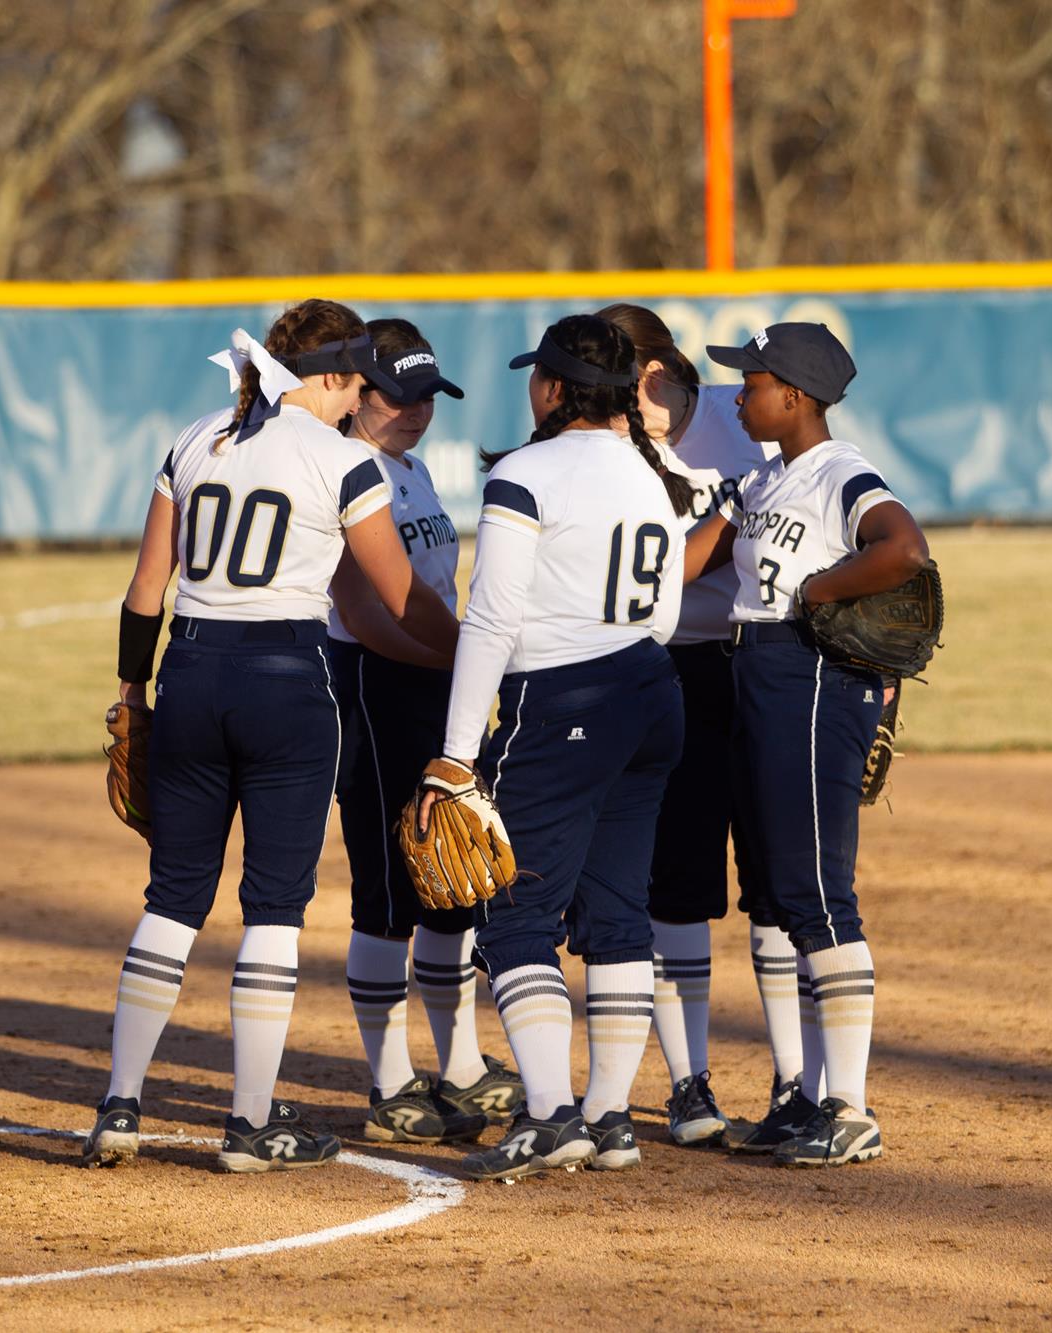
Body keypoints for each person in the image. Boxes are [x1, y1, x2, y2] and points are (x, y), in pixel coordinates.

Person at [82, 299, 460, 1174]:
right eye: (357, 382)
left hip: (189, 675)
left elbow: (145, 591)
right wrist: (477, 654)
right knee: (274, 909)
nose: (359, 398)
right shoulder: (342, 460)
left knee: (172, 898)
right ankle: (251, 1121)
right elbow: (397, 598)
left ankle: (119, 1104)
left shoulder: (196, 438)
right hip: (288, 683)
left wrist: (133, 694)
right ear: (330, 376)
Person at [416, 313, 692, 1182]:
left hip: (564, 698)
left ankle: (548, 1114)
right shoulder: (650, 472)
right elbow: (666, 612)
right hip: (652, 691)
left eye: (539, 374)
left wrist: (456, 754)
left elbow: (492, 615)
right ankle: (609, 1116)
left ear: (558, 387)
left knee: (514, 912)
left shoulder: (527, 472)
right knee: (618, 911)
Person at [682, 321, 930, 1167]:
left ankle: (850, 1107)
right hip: (755, 673)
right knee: (782, 896)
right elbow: (690, 564)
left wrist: (820, 589)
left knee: (819, 892)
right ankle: (810, 1101)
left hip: (811, 677)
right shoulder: (761, 479)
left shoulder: (839, 470)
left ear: (792, 396)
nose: (738, 396)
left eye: (752, 383)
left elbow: (904, 547)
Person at [327, 318, 525, 1143]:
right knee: (386, 889)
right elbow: (366, 613)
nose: (415, 410)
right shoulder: (341, 468)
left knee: (452, 873)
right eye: (398, 395)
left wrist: (463, 670)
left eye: (427, 396)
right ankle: (388, 1082)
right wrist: (470, 658)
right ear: (355, 392)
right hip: (373, 686)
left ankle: (463, 1067)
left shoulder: (410, 469)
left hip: (435, 683)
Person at [597, 303, 781, 1148]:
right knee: (678, 885)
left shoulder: (742, 430)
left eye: (620, 383)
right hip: (663, 666)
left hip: (753, 662)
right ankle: (689, 1082)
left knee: (775, 878)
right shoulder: (604, 442)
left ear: (654, 373)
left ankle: (797, 1082)